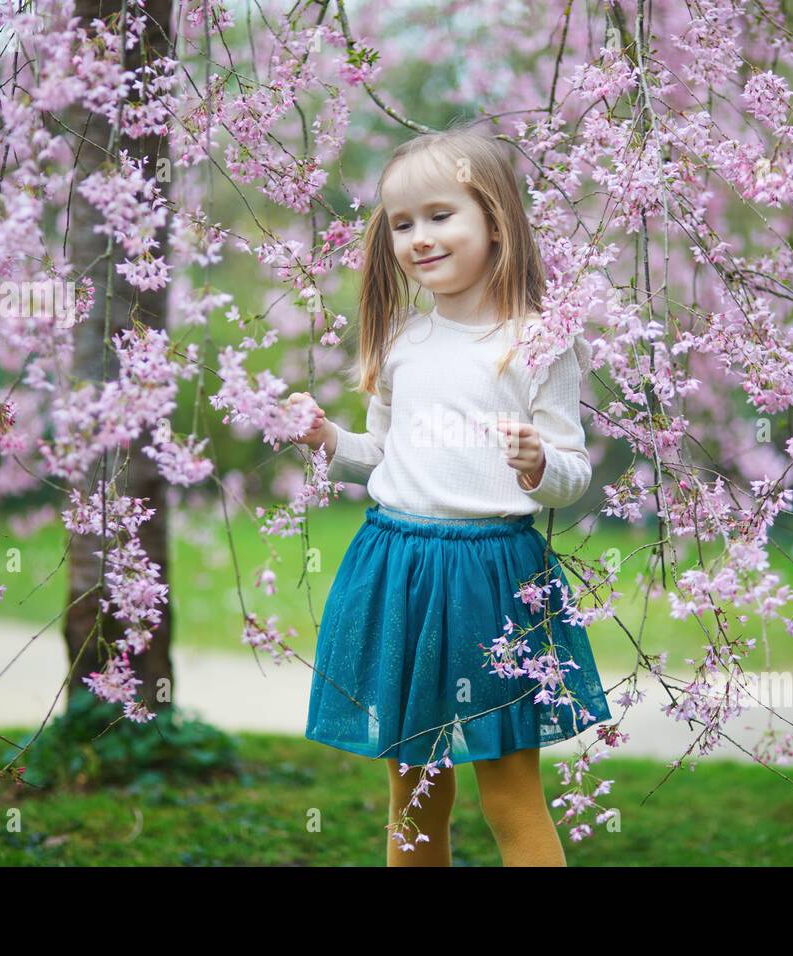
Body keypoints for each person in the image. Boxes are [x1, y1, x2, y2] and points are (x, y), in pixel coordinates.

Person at [284, 124, 612, 867]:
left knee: (510, 794)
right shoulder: (403, 342)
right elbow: (381, 457)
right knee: (414, 794)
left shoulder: (539, 341)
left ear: (495, 221)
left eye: (440, 215)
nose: (420, 238)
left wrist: (537, 464)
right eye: (402, 224)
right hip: (396, 568)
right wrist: (326, 438)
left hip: (492, 578)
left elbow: (571, 473)